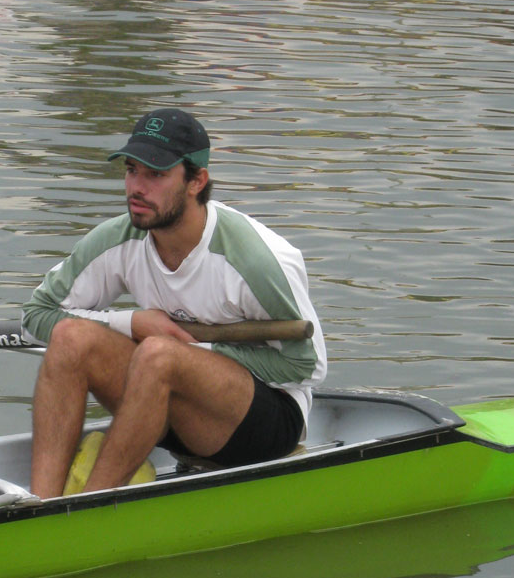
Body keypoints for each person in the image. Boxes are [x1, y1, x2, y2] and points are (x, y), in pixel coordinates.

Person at [22, 107, 325, 498]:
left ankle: (86, 509)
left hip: (267, 423)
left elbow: (307, 366)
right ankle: (39, 506)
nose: (136, 187)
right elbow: (37, 315)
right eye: (131, 170)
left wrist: (195, 352)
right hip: (173, 412)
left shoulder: (256, 260)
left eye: (156, 174)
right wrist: (131, 323)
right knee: (70, 338)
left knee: (159, 355)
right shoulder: (118, 239)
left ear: (197, 181)